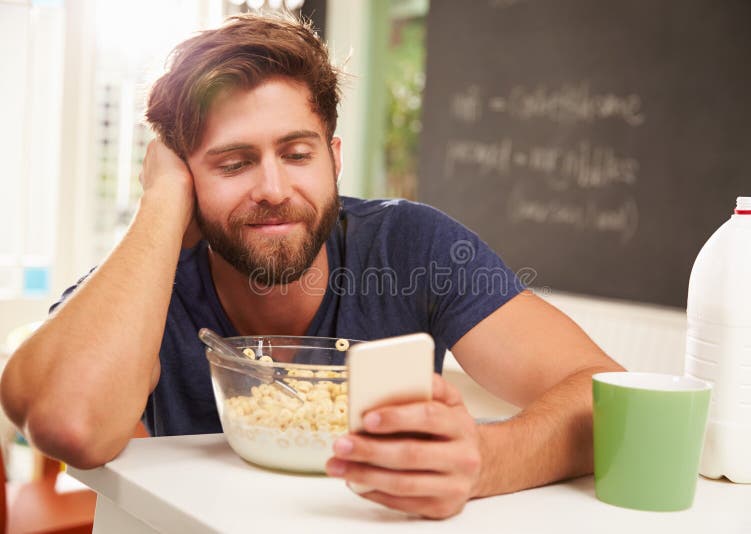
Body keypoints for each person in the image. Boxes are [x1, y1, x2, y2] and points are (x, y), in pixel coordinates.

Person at [0, 13, 623, 519]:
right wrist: (161, 205)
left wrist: (487, 458)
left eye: (297, 153)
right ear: (186, 177)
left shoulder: (412, 246)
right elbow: (69, 424)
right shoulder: (150, 277)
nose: (273, 188)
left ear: (334, 157)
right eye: (233, 163)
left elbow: (608, 395)